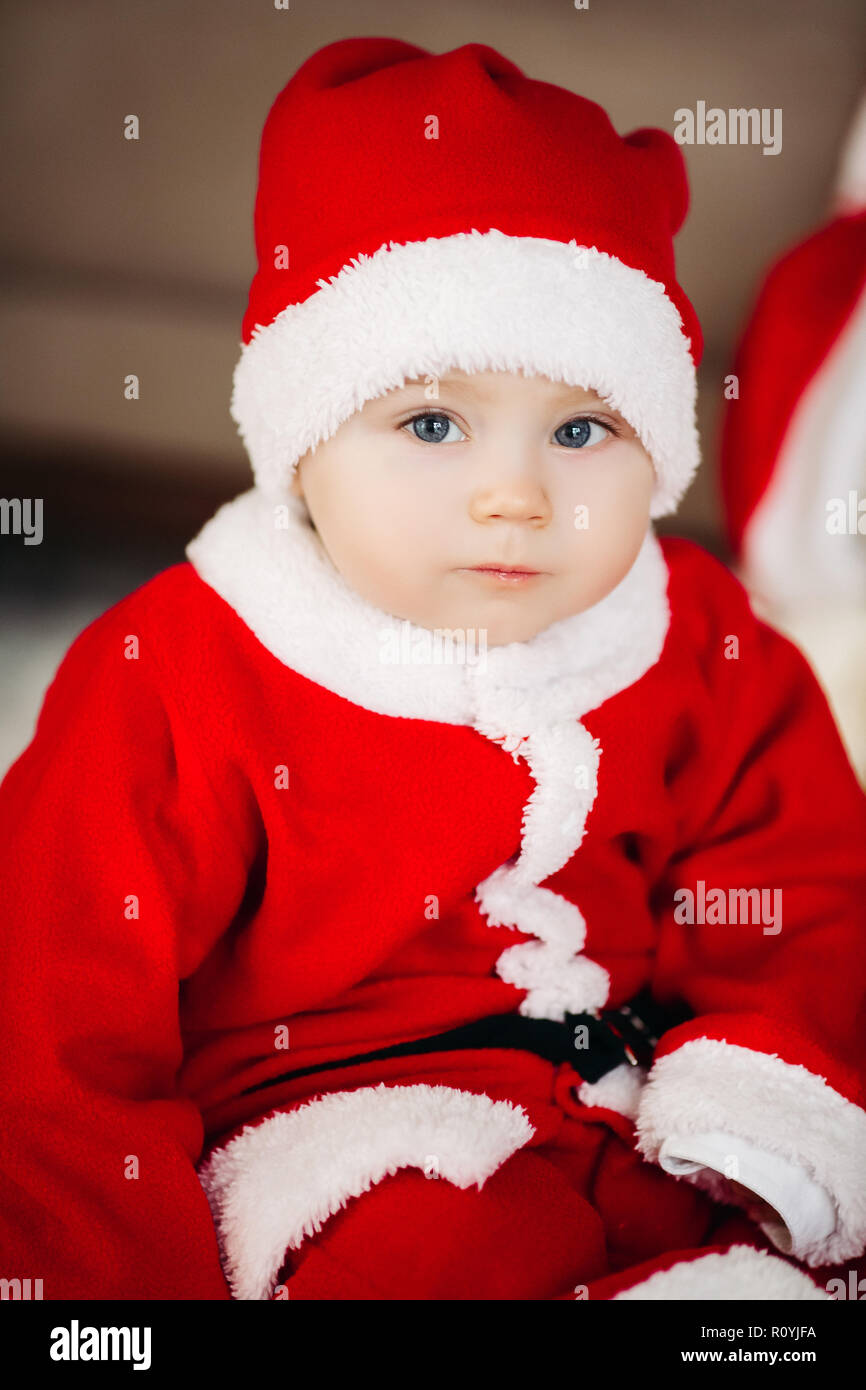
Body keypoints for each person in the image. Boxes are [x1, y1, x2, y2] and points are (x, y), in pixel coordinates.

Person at [1, 36, 865, 1302]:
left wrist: (761, 1079)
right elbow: (49, 1018)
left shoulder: (697, 631)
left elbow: (795, 876)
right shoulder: (175, 669)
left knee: (780, 1240)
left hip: (637, 1102)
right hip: (346, 1139)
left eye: (581, 429)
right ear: (301, 447)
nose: (512, 496)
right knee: (428, 1260)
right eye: (429, 424)